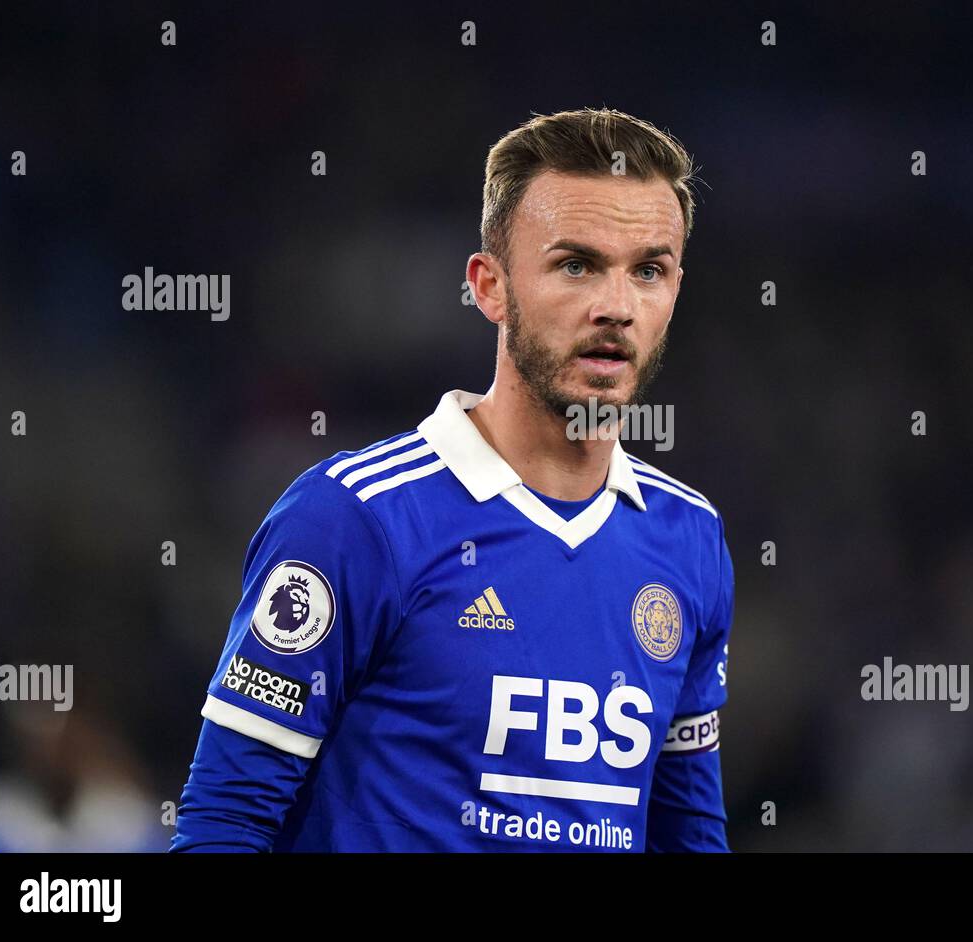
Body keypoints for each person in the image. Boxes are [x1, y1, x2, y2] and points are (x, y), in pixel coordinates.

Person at [170, 107, 734, 852]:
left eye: (649, 271)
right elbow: (223, 825)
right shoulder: (355, 521)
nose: (616, 308)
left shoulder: (689, 538)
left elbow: (687, 837)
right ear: (489, 287)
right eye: (576, 265)